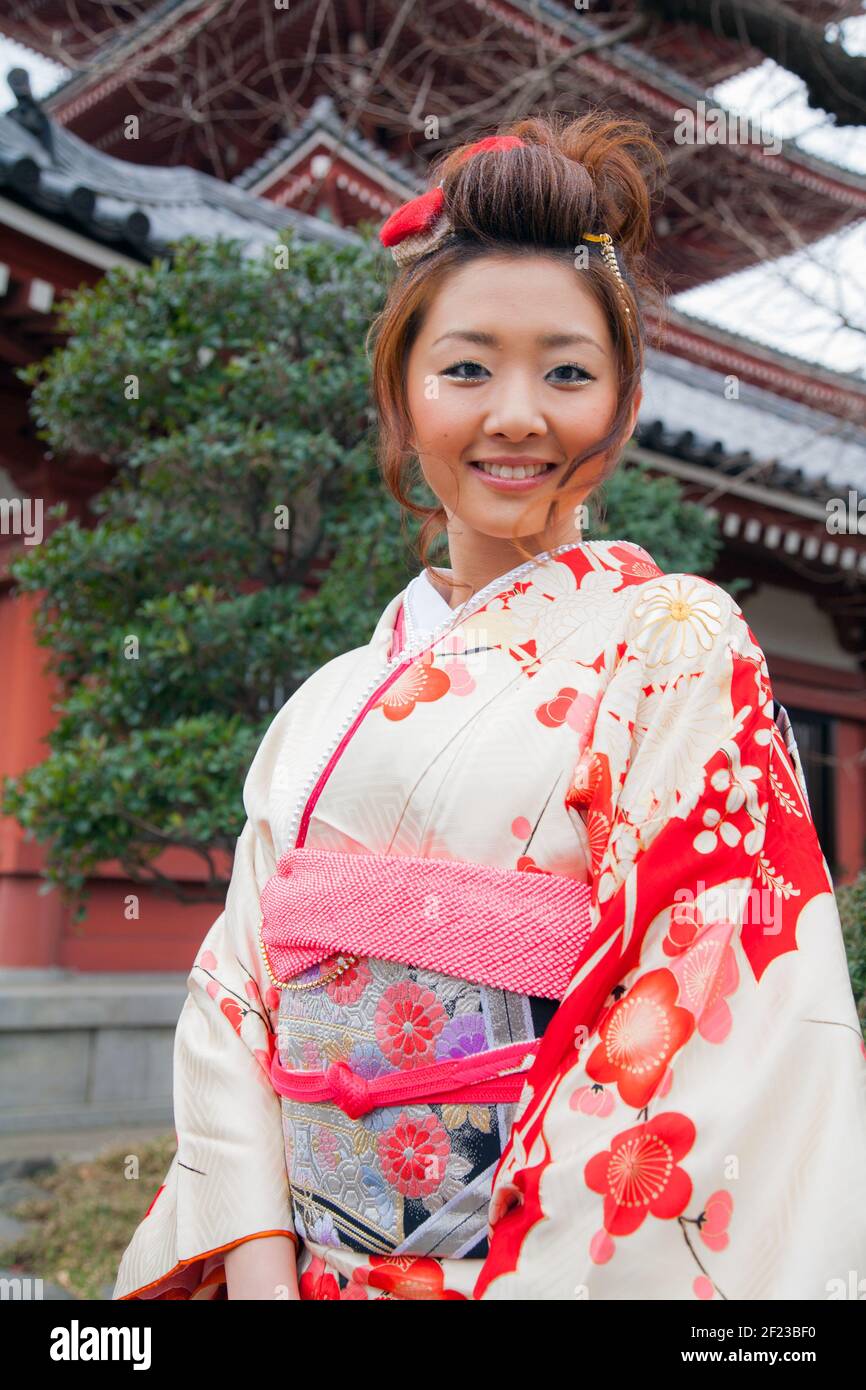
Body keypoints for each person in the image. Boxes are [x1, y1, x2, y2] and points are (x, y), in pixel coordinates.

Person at [114, 112, 866, 1302]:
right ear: (403, 395)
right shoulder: (323, 704)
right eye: (465, 367)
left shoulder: (672, 643)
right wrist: (257, 1266)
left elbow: (716, 992)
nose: (515, 414)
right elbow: (233, 997)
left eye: (566, 371)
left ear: (619, 403)